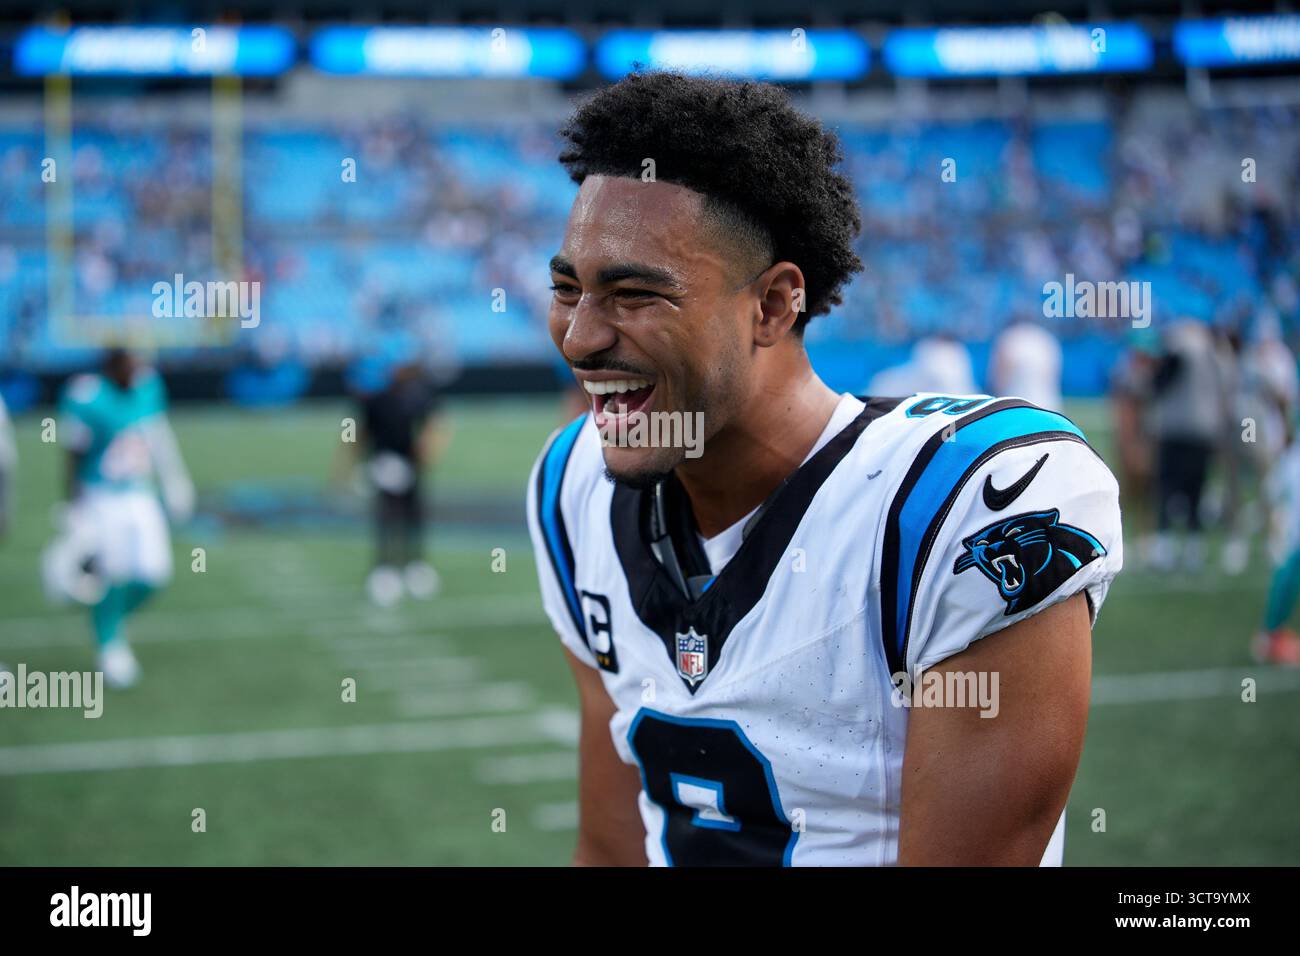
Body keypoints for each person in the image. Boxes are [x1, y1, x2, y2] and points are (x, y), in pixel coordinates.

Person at [526, 72, 1123, 867]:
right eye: (568, 289)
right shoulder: (573, 490)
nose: (579, 338)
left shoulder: (956, 506)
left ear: (772, 306)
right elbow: (610, 849)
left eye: (634, 293)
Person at [44, 348, 193, 688]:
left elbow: (158, 434)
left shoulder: (147, 386)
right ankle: (109, 642)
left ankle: (109, 620)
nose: (136, 371)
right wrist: (73, 506)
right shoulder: (87, 396)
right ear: (111, 368)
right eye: (129, 365)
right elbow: (73, 455)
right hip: (102, 497)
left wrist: (175, 481)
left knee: (154, 573)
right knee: (115, 571)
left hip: (139, 494)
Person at [352, 361, 448, 606]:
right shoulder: (377, 400)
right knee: (387, 518)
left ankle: (413, 564)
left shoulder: (415, 398)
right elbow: (361, 433)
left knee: (413, 517)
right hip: (384, 464)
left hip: (409, 466)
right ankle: (385, 568)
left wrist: (425, 451)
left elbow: (434, 424)